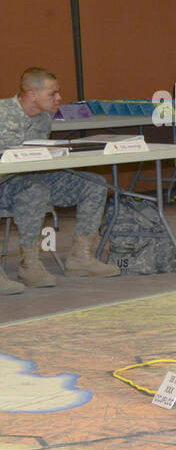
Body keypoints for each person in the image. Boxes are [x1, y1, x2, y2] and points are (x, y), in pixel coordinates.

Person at [0, 68, 119, 292]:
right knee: (34, 190)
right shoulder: (2, 112)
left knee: (93, 184)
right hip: (5, 184)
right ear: (32, 94)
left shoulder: (44, 117)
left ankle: (80, 258)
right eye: (52, 93)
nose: (59, 98)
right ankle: (29, 263)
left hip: (34, 177)